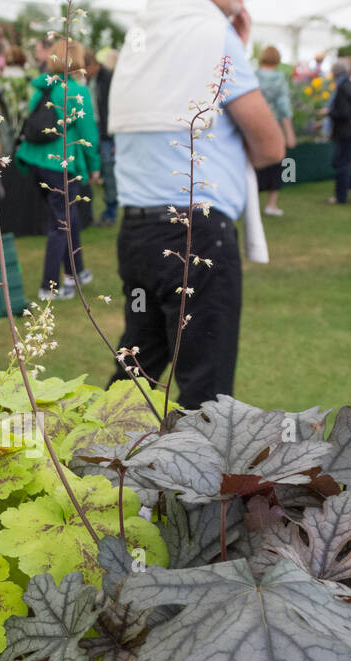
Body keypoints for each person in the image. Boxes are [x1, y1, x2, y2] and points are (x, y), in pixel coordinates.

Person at [106, 0, 284, 410]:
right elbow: (272, 146)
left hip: (137, 230)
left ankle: (83, 464)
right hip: (195, 232)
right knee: (207, 393)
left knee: (134, 375)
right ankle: (192, 474)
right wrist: (231, 42)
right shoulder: (212, 34)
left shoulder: (145, 31)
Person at [16, 39, 101, 301]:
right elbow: (89, 135)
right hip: (60, 165)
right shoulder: (77, 92)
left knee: (67, 217)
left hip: (36, 163)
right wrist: (95, 167)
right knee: (61, 224)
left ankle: (77, 272)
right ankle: (49, 286)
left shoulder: (40, 88)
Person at [255, 46, 295, 217]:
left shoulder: (254, 75)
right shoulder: (279, 78)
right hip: (273, 125)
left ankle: (251, 203)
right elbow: (283, 106)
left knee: (252, 163)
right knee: (277, 162)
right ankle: (271, 204)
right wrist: (289, 133)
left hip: (253, 123)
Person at [85, 48, 118, 226]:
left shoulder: (108, 78)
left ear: (94, 65)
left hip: (105, 132)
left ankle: (111, 213)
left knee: (108, 171)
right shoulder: (90, 79)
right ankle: (90, 214)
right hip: (93, 129)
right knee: (93, 171)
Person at [326, 57, 351, 205]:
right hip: (350, 131)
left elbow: (344, 113)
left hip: (345, 131)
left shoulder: (342, 87)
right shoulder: (350, 85)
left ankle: (344, 195)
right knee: (343, 162)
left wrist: (329, 112)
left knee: (341, 163)